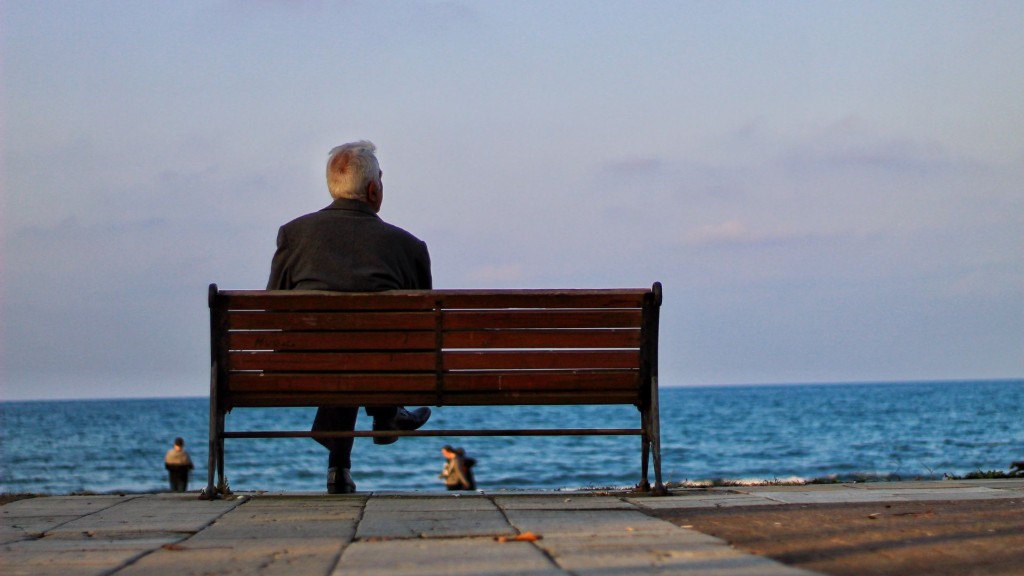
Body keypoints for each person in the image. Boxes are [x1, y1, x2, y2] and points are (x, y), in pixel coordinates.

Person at [268, 140, 432, 494]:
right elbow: (421, 330)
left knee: (342, 351)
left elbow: (273, 310)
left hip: (303, 367)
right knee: (361, 350)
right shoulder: (408, 247)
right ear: (373, 190)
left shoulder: (293, 235)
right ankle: (387, 412)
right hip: (381, 369)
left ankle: (339, 468)